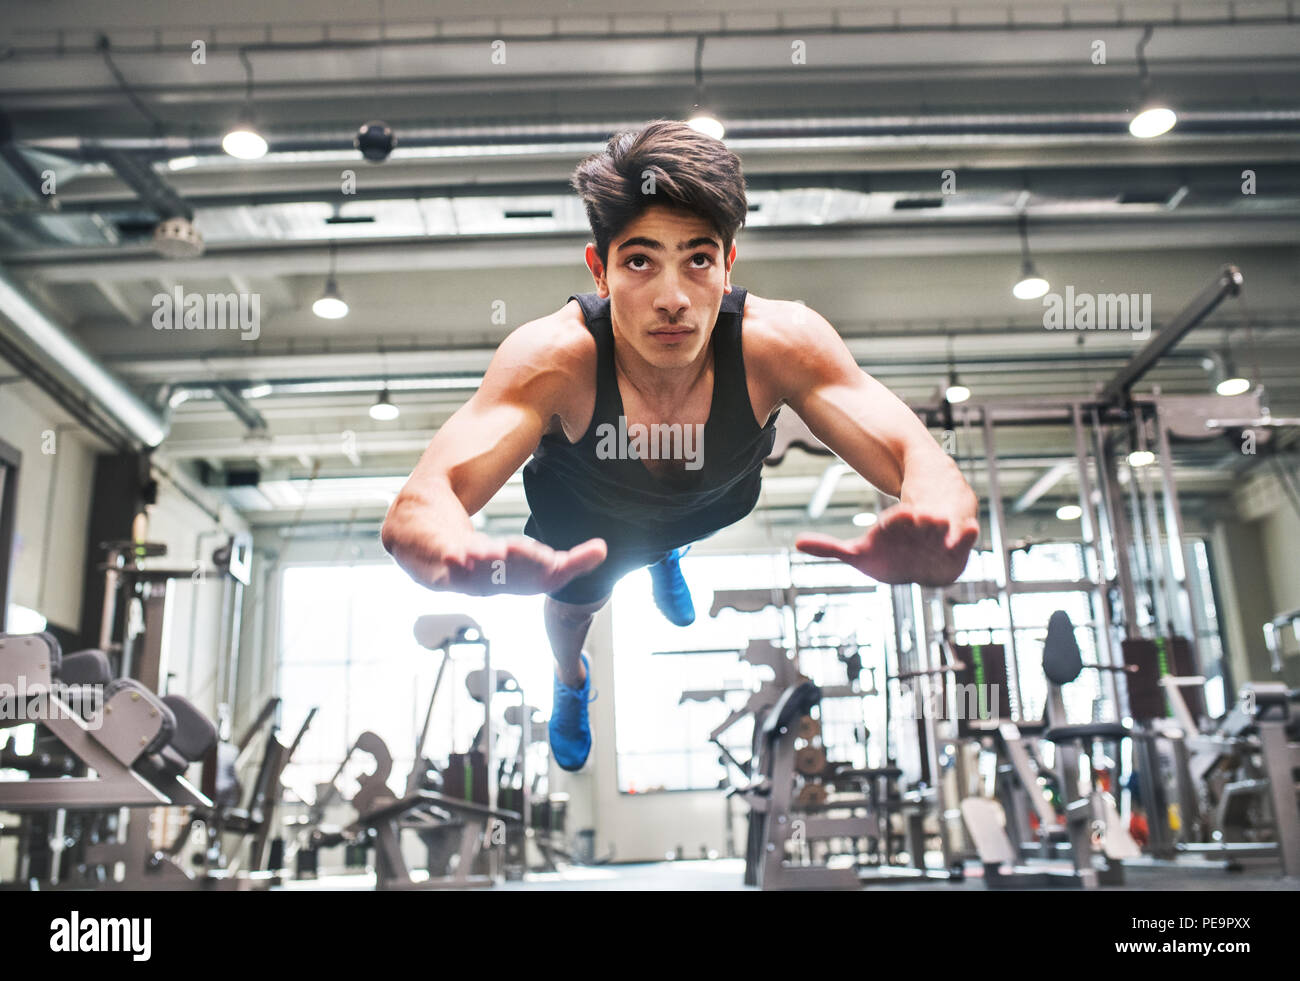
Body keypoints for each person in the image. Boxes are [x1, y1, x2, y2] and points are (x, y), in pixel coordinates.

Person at [382, 119, 979, 772]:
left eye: (697, 259)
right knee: (567, 619)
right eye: (640, 260)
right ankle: (572, 680)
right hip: (588, 529)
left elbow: (917, 455)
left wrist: (946, 522)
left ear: (726, 265)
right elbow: (427, 495)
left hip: (712, 501)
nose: (671, 299)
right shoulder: (552, 357)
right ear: (600, 270)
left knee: (665, 533)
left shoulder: (783, 341)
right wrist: (444, 548)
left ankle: (667, 549)